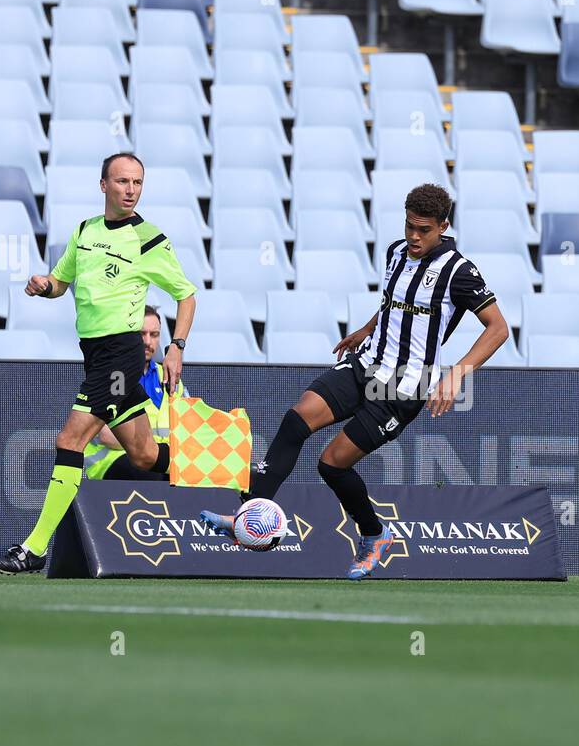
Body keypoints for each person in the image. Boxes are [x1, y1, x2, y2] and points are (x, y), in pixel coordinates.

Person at [202, 184, 509, 580]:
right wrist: (366, 328)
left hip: (402, 386)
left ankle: (374, 534)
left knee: (331, 465)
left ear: (443, 227)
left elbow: (497, 328)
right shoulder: (396, 252)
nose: (414, 236)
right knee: (296, 420)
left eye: (424, 230)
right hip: (366, 364)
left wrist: (457, 373)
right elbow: (394, 305)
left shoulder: (459, 272)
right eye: (409, 226)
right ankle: (247, 513)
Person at [0, 153, 198, 574]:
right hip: (95, 355)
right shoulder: (84, 232)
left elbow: (187, 295)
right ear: (104, 185)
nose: (131, 190)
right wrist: (43, 285)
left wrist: (175, 346)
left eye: (137, 182)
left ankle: (35, 547)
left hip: (119, 355)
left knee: (70, 441)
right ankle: (221, 468)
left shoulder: (150, 239)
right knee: (142, 455)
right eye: (122, 181)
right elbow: (60, 283)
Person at [84, 305, 188, 482]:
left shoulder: (170, 376)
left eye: (154, 335)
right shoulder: (113, 376)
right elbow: (107, 435)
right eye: (142, 334)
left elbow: (187, 429)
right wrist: (155, 449)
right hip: (111, 462)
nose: (148, 342)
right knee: (150, 471)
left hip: (159, 459)